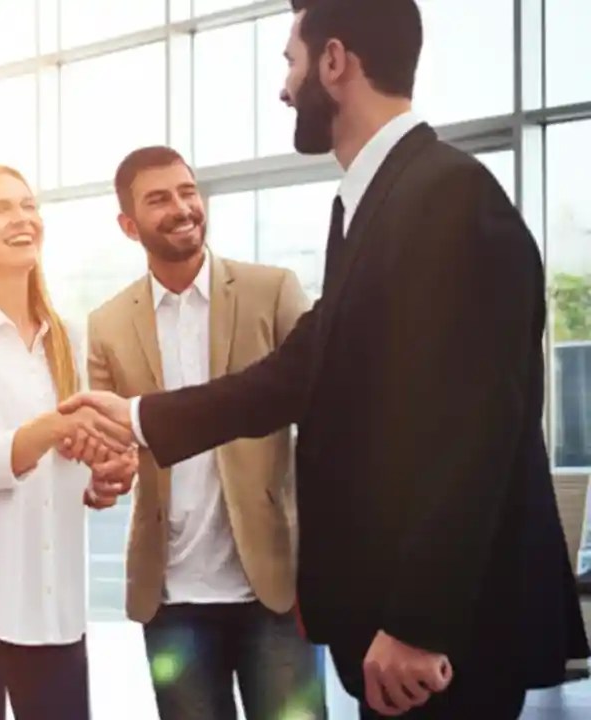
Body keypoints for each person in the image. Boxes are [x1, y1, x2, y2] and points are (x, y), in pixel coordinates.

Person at [58, 1, 590, 718]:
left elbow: (474, 435)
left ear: (335, 62)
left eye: (291, 61)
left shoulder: (450, 199)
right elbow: (304, 370)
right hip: (396, 636)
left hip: (437, 641)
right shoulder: (375, 204)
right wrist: (138, 415)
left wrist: (416, 622)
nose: (284, 87)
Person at [73, 145, 322, 719]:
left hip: (273, 589)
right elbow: (115, 451)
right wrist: (104, 475)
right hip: (171, 599)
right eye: (159, 199)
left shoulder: (274, 290)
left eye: (188, 192)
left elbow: (323, 414)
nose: (182, 208)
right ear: (128, 224)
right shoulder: (107, 325)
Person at [0, 164, 137, 720]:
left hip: (49, 597)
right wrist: (54, 428)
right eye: (1, 208)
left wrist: (106, 472)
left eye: (28, 205)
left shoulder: (68, 339)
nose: (22, 218)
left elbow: (78, 465)